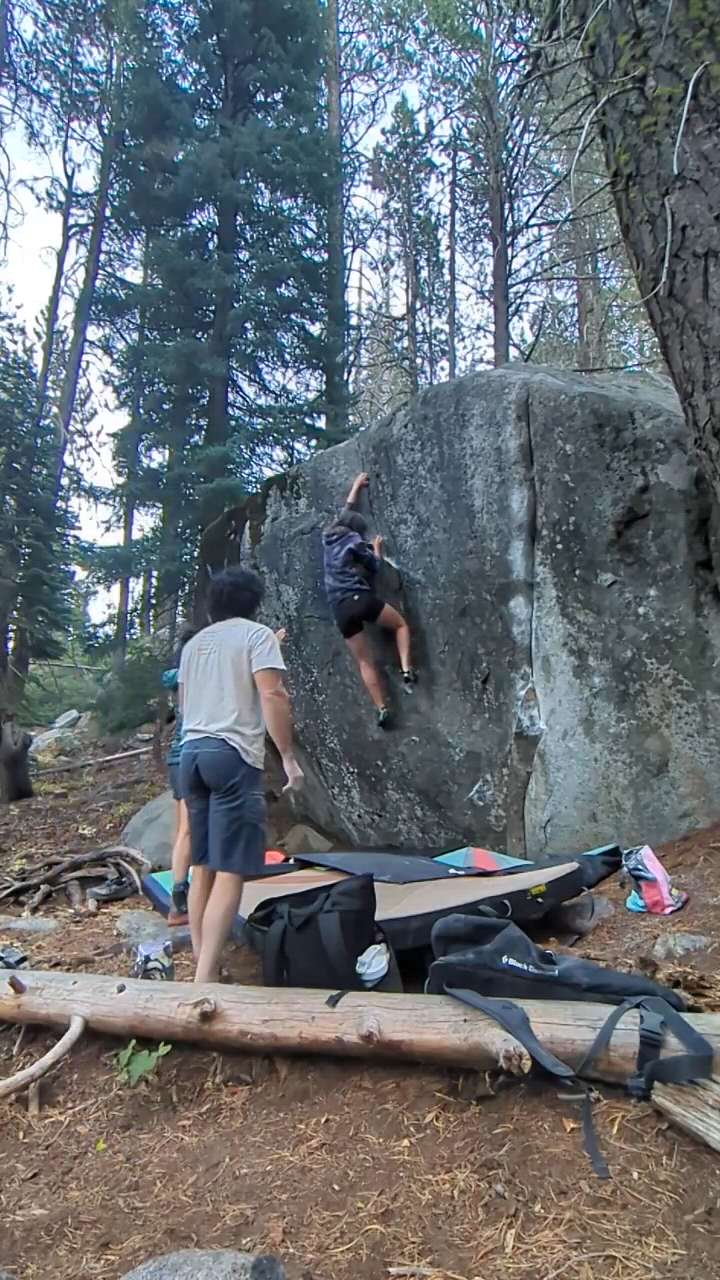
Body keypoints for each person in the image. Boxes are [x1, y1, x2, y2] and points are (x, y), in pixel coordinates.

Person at [178, 567, 303, 983]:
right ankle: (203, 981)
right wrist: (287, 755)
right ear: (254, 602)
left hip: (191, 754)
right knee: (231, 868)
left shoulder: (194, 644)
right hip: (230, 757)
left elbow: (191, 698)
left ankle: (203, 965)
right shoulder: (256, 635)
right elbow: (272, 693)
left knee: (203, 865)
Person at [322, 471, 416, 728]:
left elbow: (346, 510)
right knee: (400, 625)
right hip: (358, 597)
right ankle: (407, 669)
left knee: (364, 660)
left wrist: (355, 486)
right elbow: (374, 567)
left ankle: (382, 708)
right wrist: (376, 550)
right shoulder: (354, 542)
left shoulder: (328, 536)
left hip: (339, 609)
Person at [161, 624, 198, 926]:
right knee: (188, 828)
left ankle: (180, 886)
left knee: (181, 827)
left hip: (176, 756)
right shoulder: (195, 671)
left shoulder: (176, 675)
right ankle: (180, 899)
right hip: (190, 754)